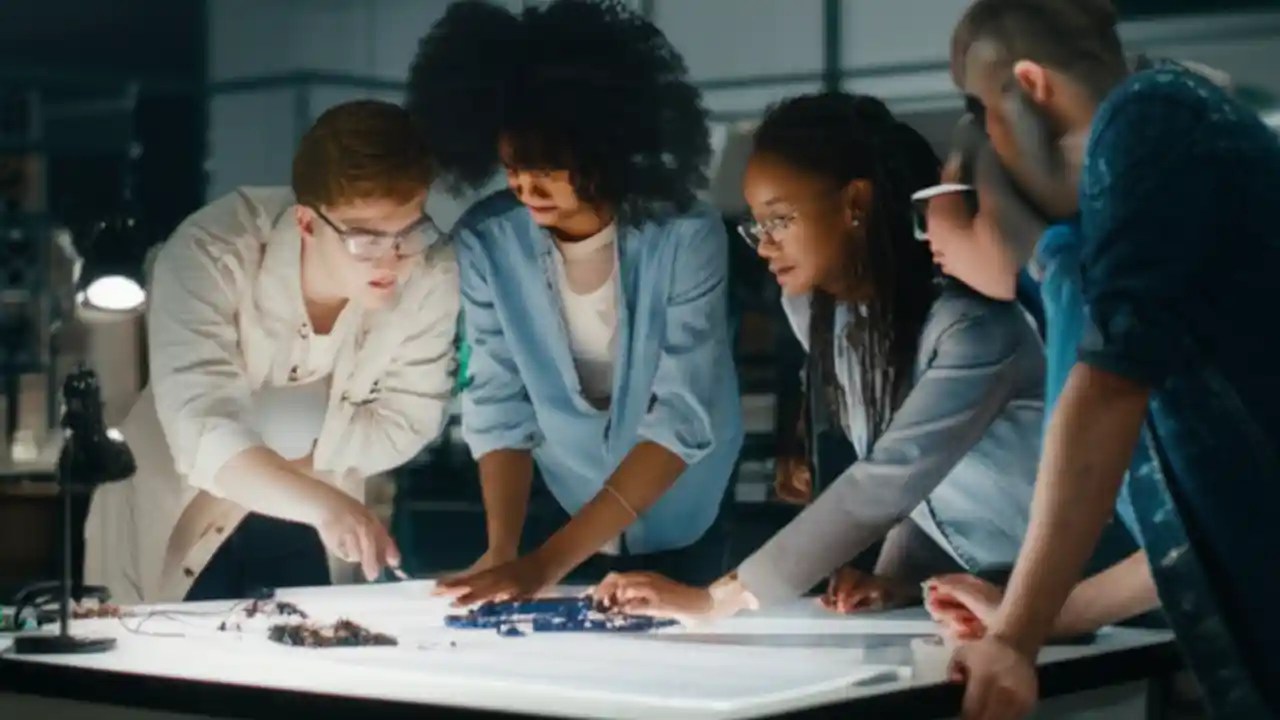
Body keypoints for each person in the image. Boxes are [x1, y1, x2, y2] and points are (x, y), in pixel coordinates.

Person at [931, 1, 1280, 717]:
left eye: (981, 110)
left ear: (1030, 84)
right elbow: (1190, 522)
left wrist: (1018, 638)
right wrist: (1043, 614)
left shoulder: (1147, 113)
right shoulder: (1126, 216)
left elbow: (1106, 391)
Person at [592, 91, 1050, 619]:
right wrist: (899, 578)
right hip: (992, 592)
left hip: (1073, 587)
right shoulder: (824, 314)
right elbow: (920, 478)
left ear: (856, 203)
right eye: (756, 225)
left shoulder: (975, 333)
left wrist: (713, 600)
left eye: (780, 220)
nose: (763, 244)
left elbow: (888, 479)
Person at [405, 0, 743, 605]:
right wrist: (503, 548)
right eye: (511, 167)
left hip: (689, 501)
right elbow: (496, 399)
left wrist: (542, 565)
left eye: (548, 170)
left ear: (604, 150)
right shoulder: (487, 240)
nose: (525, 189)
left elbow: (684, 415)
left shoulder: (686, 234)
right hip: (569, 501)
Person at [83, 100, 459, 603]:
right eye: (366, 239)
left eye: (408, 231)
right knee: (167, 659)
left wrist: (300, 479)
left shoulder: (429, 270)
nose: (393, 257)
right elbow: (202, 428)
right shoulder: (209, 253)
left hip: (317, 514)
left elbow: (411, 418)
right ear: (307, 222)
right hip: (176, 506)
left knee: (309, 657)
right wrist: (315, 481)